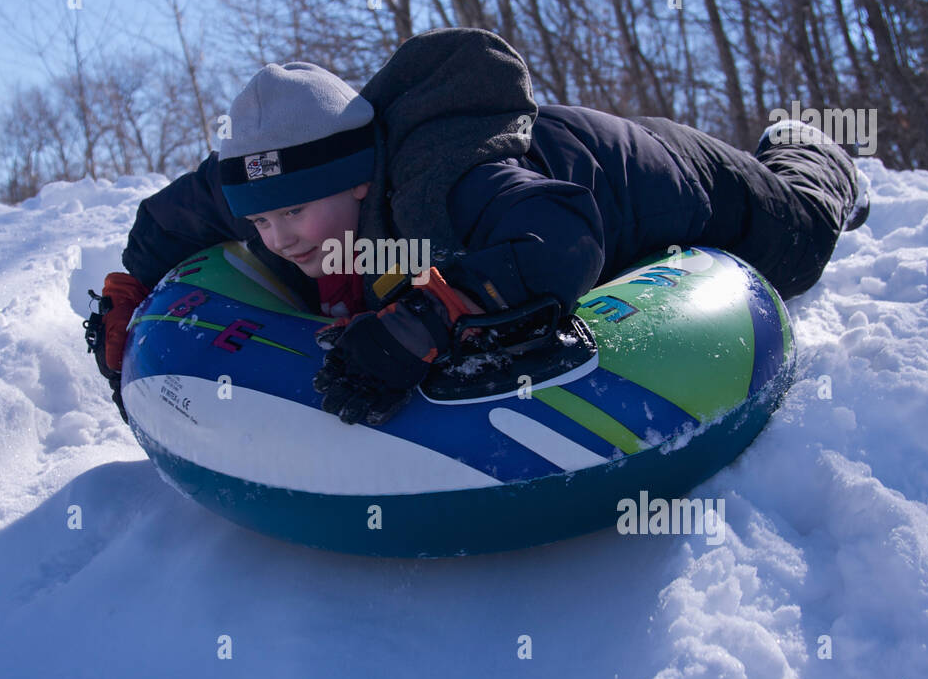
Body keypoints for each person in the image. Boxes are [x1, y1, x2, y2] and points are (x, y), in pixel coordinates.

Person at [88, 27, 867, 426]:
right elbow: (171, 219)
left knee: (800, 240)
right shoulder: (274, 191)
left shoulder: (444, 177)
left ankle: (809, 146)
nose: (280, 237)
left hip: (662, 179)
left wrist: (435, 311)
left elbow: (561, 235)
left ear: (358, 181)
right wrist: (126, 290)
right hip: (574, 154)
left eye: (295, 213)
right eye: (260, 220)